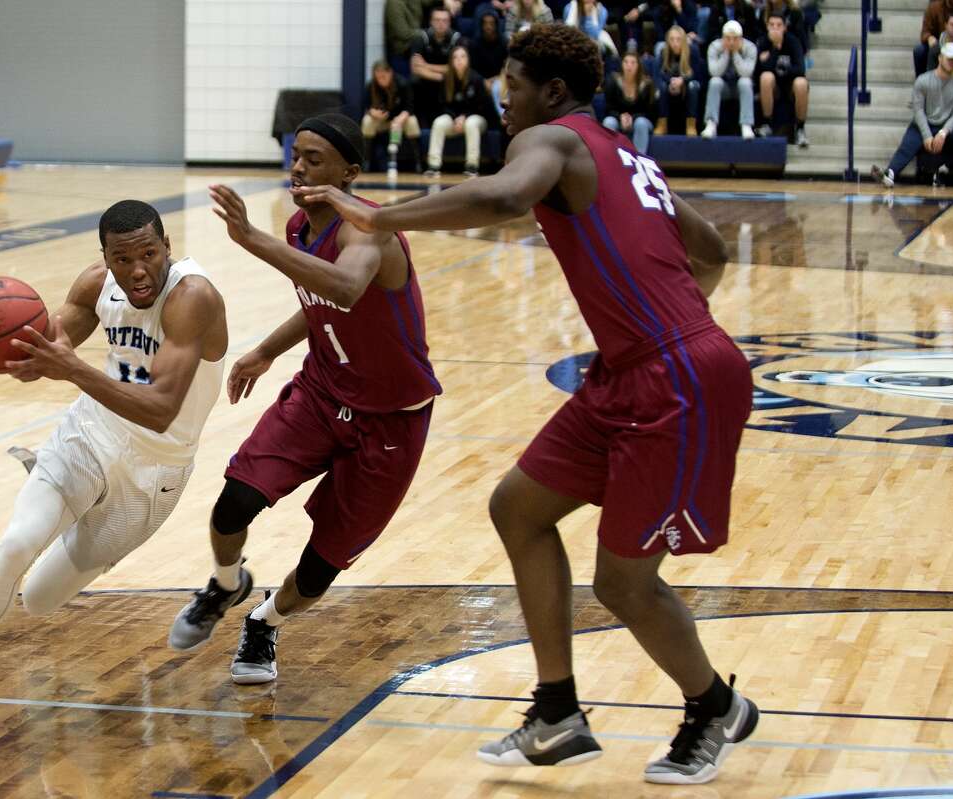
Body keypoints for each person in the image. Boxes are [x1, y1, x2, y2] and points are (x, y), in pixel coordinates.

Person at [296, 22, 758, 786]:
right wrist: (666, 316)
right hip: (635, 369)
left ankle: (716, 707)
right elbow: (709, 250)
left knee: (622, 583)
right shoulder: (624, 153)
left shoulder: (553, 140)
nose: (500, 98)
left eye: (510, 86)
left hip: (673, 379)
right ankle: (557, 711)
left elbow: (507, 195)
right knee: (517, 507)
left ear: (552, 91)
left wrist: (379, 215)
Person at [0, 200, 228, 742]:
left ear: (168, 247)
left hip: (155, 468)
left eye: (149, 254)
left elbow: (160, 408)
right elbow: (39, 357)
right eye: (123, 259)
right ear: (106, 257)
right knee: (15, 545)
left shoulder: (193, 297)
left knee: (39, 599)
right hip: (90, 433)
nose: (138, 270)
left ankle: (68, 506)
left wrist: (71, 368)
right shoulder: (96, 284)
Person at [168, 114, 440, 686]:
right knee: (234, 502)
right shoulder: (299, 227)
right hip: (321, 393)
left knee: (319, 570)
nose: (298, 168)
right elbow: (319, 301)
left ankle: (264, 621)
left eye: (314, 160)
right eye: (296, 155)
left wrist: (251, 239)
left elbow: (344, 286)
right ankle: (225, 584)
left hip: (391, 421)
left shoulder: (370, 230)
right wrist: (265, 351)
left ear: (349, 173)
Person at [872, 42, 953, 188]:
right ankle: (890, 174)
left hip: (946, 127)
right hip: (924, 123)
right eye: (949, 58)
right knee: (908, 145)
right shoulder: (923, 81)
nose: (952, 62)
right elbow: (918, 110)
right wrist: (927, 135)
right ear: (940, 58)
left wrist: (943, 132)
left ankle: (948, 168)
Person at [426, 44, 492, 176]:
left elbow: (482, 107)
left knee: (471, 123)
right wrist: (455, 118)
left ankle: (472, 166)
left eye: (462, 57)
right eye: (455, 57)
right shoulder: (447, 79)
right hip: (455, 120)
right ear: (451, 61)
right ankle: (434, 165)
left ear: (468, 59)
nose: (459, 60)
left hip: (477, 120)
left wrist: (464, 117)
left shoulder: (476, 79)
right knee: (439, 123)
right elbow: (443, 105)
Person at [755, 13, 808, 145]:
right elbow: (760, 70)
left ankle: (800, 129)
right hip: (774, 88)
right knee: (766, 77)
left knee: (801, 83)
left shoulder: (793, 41)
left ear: (785, 28)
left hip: (790, 86)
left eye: (779, 25)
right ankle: (766, 124)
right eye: (772, 25)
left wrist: (784, 70)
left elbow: (800, 69)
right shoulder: (763, 42)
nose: (775, 28)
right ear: (767, 27)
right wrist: (775, 48)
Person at [411, 5, 465, 134]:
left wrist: (426, 65)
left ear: (450, 22)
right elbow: (415, 68)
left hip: (449, 82)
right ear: (431, 21)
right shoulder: (421, 37)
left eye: (444, 20)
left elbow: (457, 68)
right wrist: (440, 76)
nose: (441, 24)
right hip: (428, 82)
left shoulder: (456, 38)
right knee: (413, 82)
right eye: (437, 20)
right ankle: (421, 129)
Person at [363, 59, 423, 174]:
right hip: (381, 121)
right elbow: (366, 106)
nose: (381, 80)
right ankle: (366, 162)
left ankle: (418, 162)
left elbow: (410, 107)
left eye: (383, 77)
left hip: (399, 120)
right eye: (378, 77)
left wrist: (400, 119)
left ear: (390, 73)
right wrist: (373, 112)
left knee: (412, 122)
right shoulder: (371, 85)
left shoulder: (402, 83)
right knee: (367, 121)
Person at [703, 19, 756, 138]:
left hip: (740, 88)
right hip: (724, 87)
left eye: (735, 38)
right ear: (723, 37)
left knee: (745, 82)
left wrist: (736, 53)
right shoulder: (714, 46)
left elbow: (746, 72)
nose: (731, 42)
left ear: (741, 38)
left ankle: (746, 124)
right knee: (714, 81)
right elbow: (714, 72)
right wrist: (726, 53)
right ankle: (711, 123)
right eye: (728, 38)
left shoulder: (750, 47)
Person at [603, 50, 656, 152]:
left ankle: (637, 159)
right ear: (621, 64)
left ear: (638, 66)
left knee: (640, 123)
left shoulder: (647, 84)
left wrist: (633, 118)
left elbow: (651, 112)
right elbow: (608, 108)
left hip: (641, 120)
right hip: (619, 118)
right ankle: (609, 158)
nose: (629, 66)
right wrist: (620, 117)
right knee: (608, 122)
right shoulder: (613, 81)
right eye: (626, 62)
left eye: (633, 63)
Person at [655, 25, 701, 134]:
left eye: (678, 39)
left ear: (683, 40)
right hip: (671, 84)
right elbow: (661, 74)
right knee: (662, 86)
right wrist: (671, 81)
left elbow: (697, 74)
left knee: (693, 86)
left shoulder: (693, 51)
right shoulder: (663, 52)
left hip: (687, 83)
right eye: (672, 39)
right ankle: (662, 123)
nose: (675, 43)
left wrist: (683, 80)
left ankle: (691, 124)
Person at [915, 0, 953, 76]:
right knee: (920, 51)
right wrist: (929, 38)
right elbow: (925, 32)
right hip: (941, 43)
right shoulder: (934, 8)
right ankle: (921, 80)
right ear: (945, 25)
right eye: (952, 25)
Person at [386, 0, 428, 77]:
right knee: (405, 82)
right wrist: (425, 33)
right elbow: (403, 33)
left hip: (414, 50)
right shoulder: (394, 4)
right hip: (401, 54)